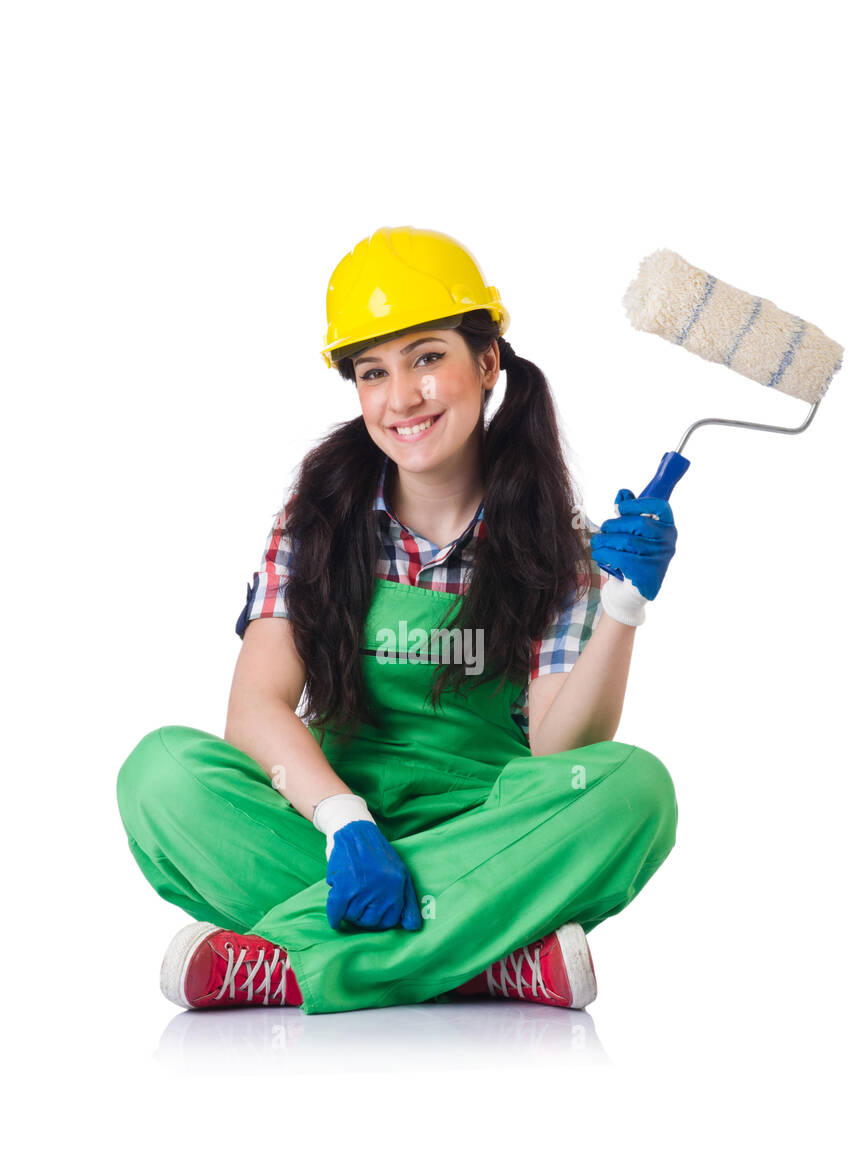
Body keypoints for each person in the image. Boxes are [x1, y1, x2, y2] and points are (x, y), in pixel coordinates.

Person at [116, 225, 679, 1016]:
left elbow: (561, 747)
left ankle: (292, 964)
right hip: (330, 828)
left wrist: (622, 603)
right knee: (160, 774)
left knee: (635, 791)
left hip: (491, 830)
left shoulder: (558, 543)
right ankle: (483, 957)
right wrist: (347, 823)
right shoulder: (316, 522)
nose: (400, 398)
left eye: (426, 357)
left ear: (485, 362)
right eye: (372, 371)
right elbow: (255, 710)